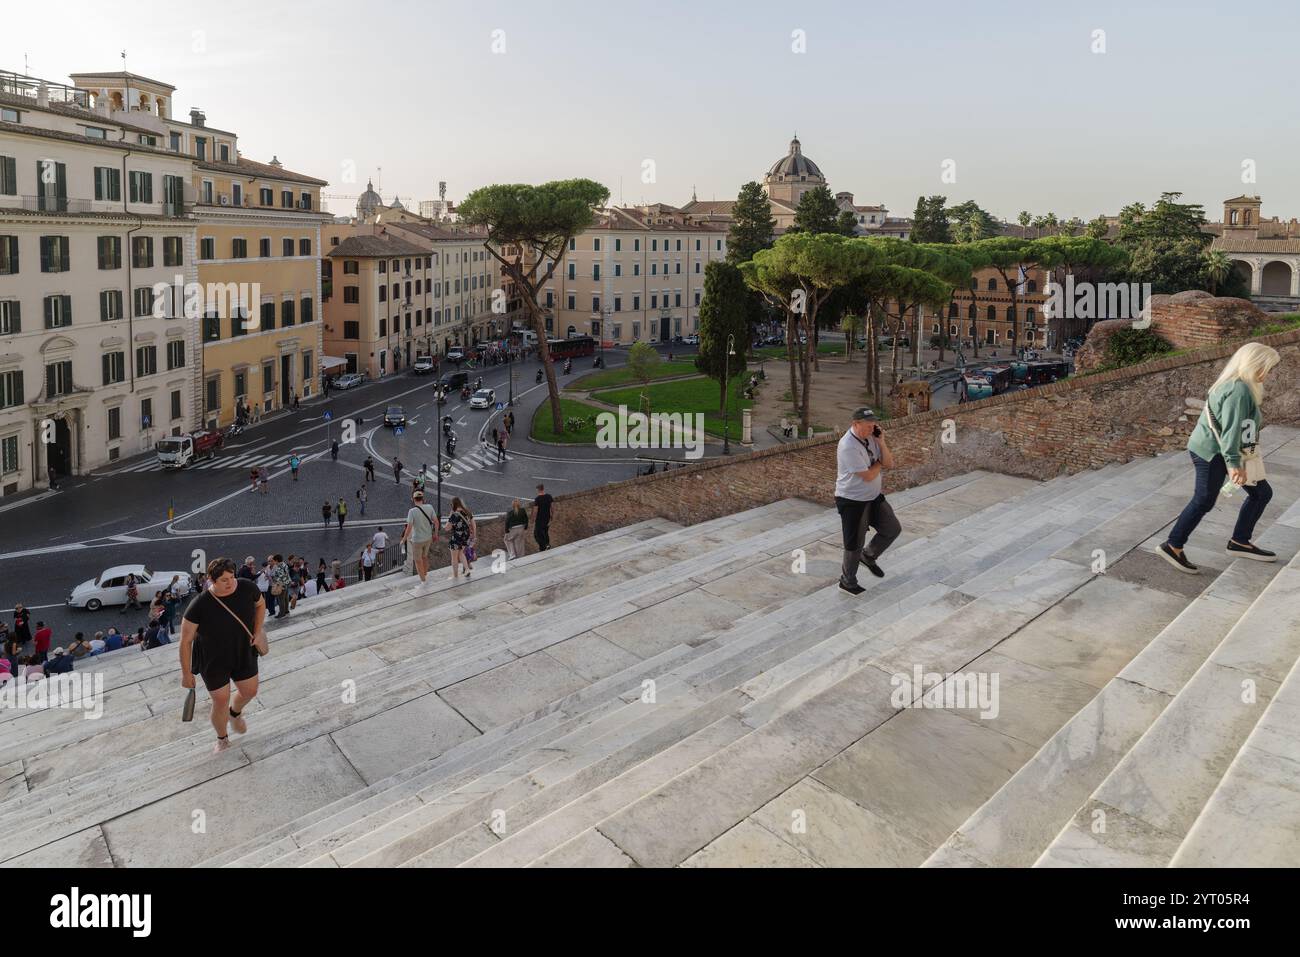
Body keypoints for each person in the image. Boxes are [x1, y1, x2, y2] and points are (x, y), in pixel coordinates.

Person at [1160, 343, 1281, 573]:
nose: (1270, 373)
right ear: (1254, 364)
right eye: (1268, 368)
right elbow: (1231, 431)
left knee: (1261, 492)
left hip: (1223, 450)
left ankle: (1239, 542)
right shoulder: (1239, 390)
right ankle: (1173, 546)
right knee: (1204, 499)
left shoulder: (1242, 384)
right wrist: (1234, 464)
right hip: (1213, 452)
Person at [180, 557, 265, 754]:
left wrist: (258, 630)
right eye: (224, 580)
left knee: (250, 691)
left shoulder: (246, 587)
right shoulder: (199, 605)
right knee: (220, 700)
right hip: (213, 660)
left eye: (232, 577)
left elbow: (260, 604)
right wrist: (186, 674)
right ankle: (222, 738)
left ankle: (234, 713)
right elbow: (185, 641)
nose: (230, 583)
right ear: (211, 580)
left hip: (243, 650)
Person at [835, 407, 900, 595]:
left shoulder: (872, 436)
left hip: (873, 497)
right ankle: (847, 581)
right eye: (868, 425)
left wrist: (882, 442)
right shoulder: (848, 446)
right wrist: (879, 462)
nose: (872, 428)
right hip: (852, 500)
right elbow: (869, 475)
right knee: (854, 542)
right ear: (855, 424)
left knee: (892, 528)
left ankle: (869, 555)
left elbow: (889, 463)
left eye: (873, 425)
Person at [401, 491, 441, 593]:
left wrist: (404, 539)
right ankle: (425, 577)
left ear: (413, 499)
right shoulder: (430, 507)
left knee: (417, 561)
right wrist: (436, 534)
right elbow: (436, 522)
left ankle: (423, 582)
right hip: (428, 538)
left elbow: (409, 528)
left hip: (417, 540)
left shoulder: (412, 511)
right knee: (424, 557)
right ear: (423, 499)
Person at [446, 497, 473, 581]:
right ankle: (467, 570)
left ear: (453, 504)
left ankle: (455, 576)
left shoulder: (455, 514)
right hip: (465, 536)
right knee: (461, 553)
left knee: (454, 557)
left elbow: (447, 528)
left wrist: (450, 516)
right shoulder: (467, 512)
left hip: (457, 537)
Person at [531, 484, 555, 552]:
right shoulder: (549, 496)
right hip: (547, 517)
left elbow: (535, 510)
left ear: (538, 489)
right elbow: (552, 507)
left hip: (539, 519)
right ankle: (547, 544)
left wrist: (533, 519)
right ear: (543, 488)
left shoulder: (537, 499)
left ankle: (542, 547)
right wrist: (552, 516)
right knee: (545, 531)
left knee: (537, 534)